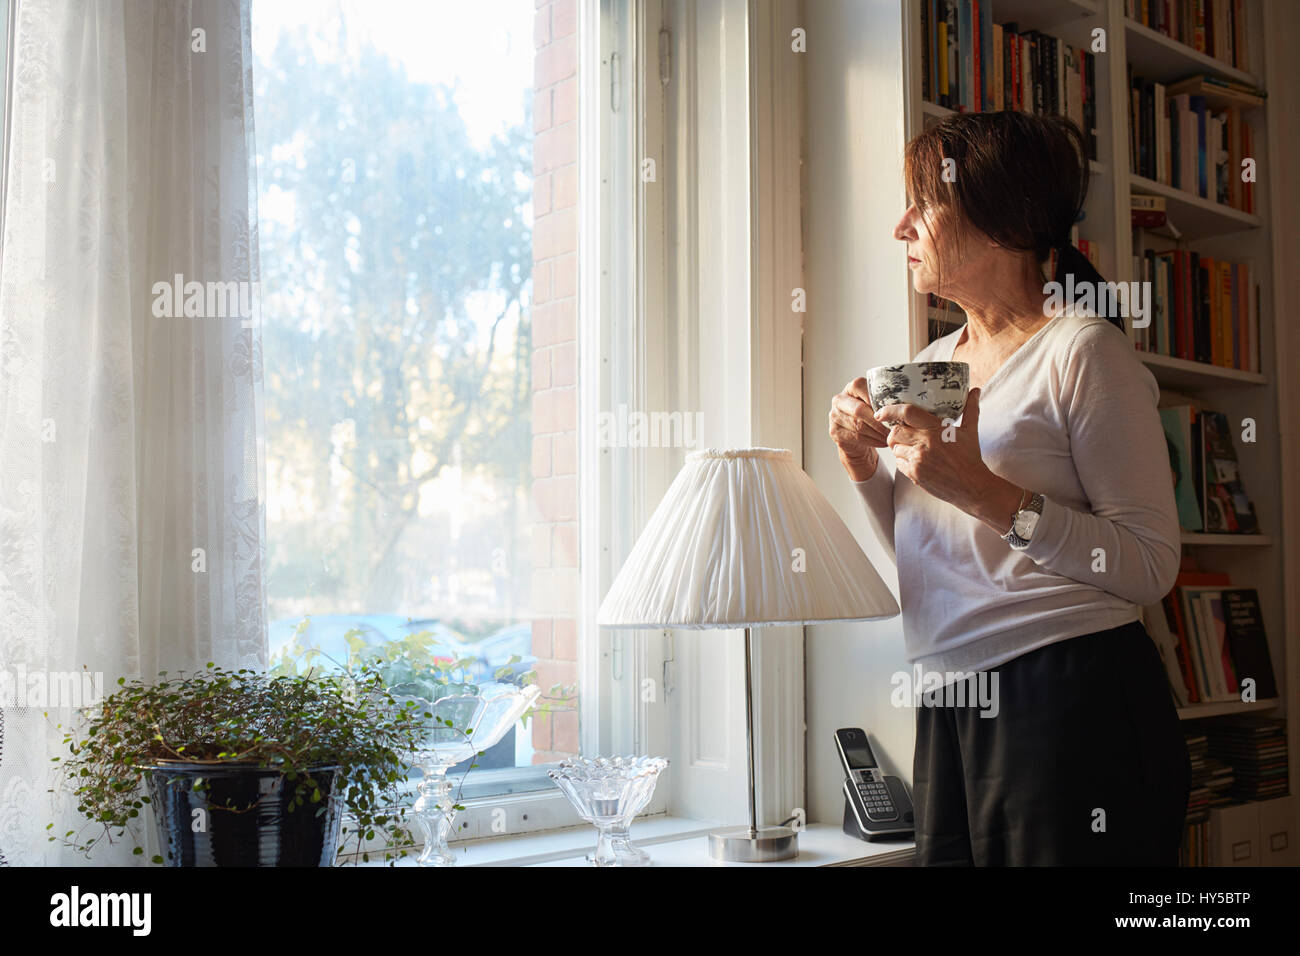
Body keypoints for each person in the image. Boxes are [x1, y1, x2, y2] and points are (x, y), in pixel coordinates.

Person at [828, 111, 1191, 866]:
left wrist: (981, 492)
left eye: (921, 203)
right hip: (948, 698)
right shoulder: (928, 365)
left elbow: (1149, 564)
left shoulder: (1085, 353)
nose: (901, 225)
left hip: (1068, 694)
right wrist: (865, 467)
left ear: (1001, 216)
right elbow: (932, 555)